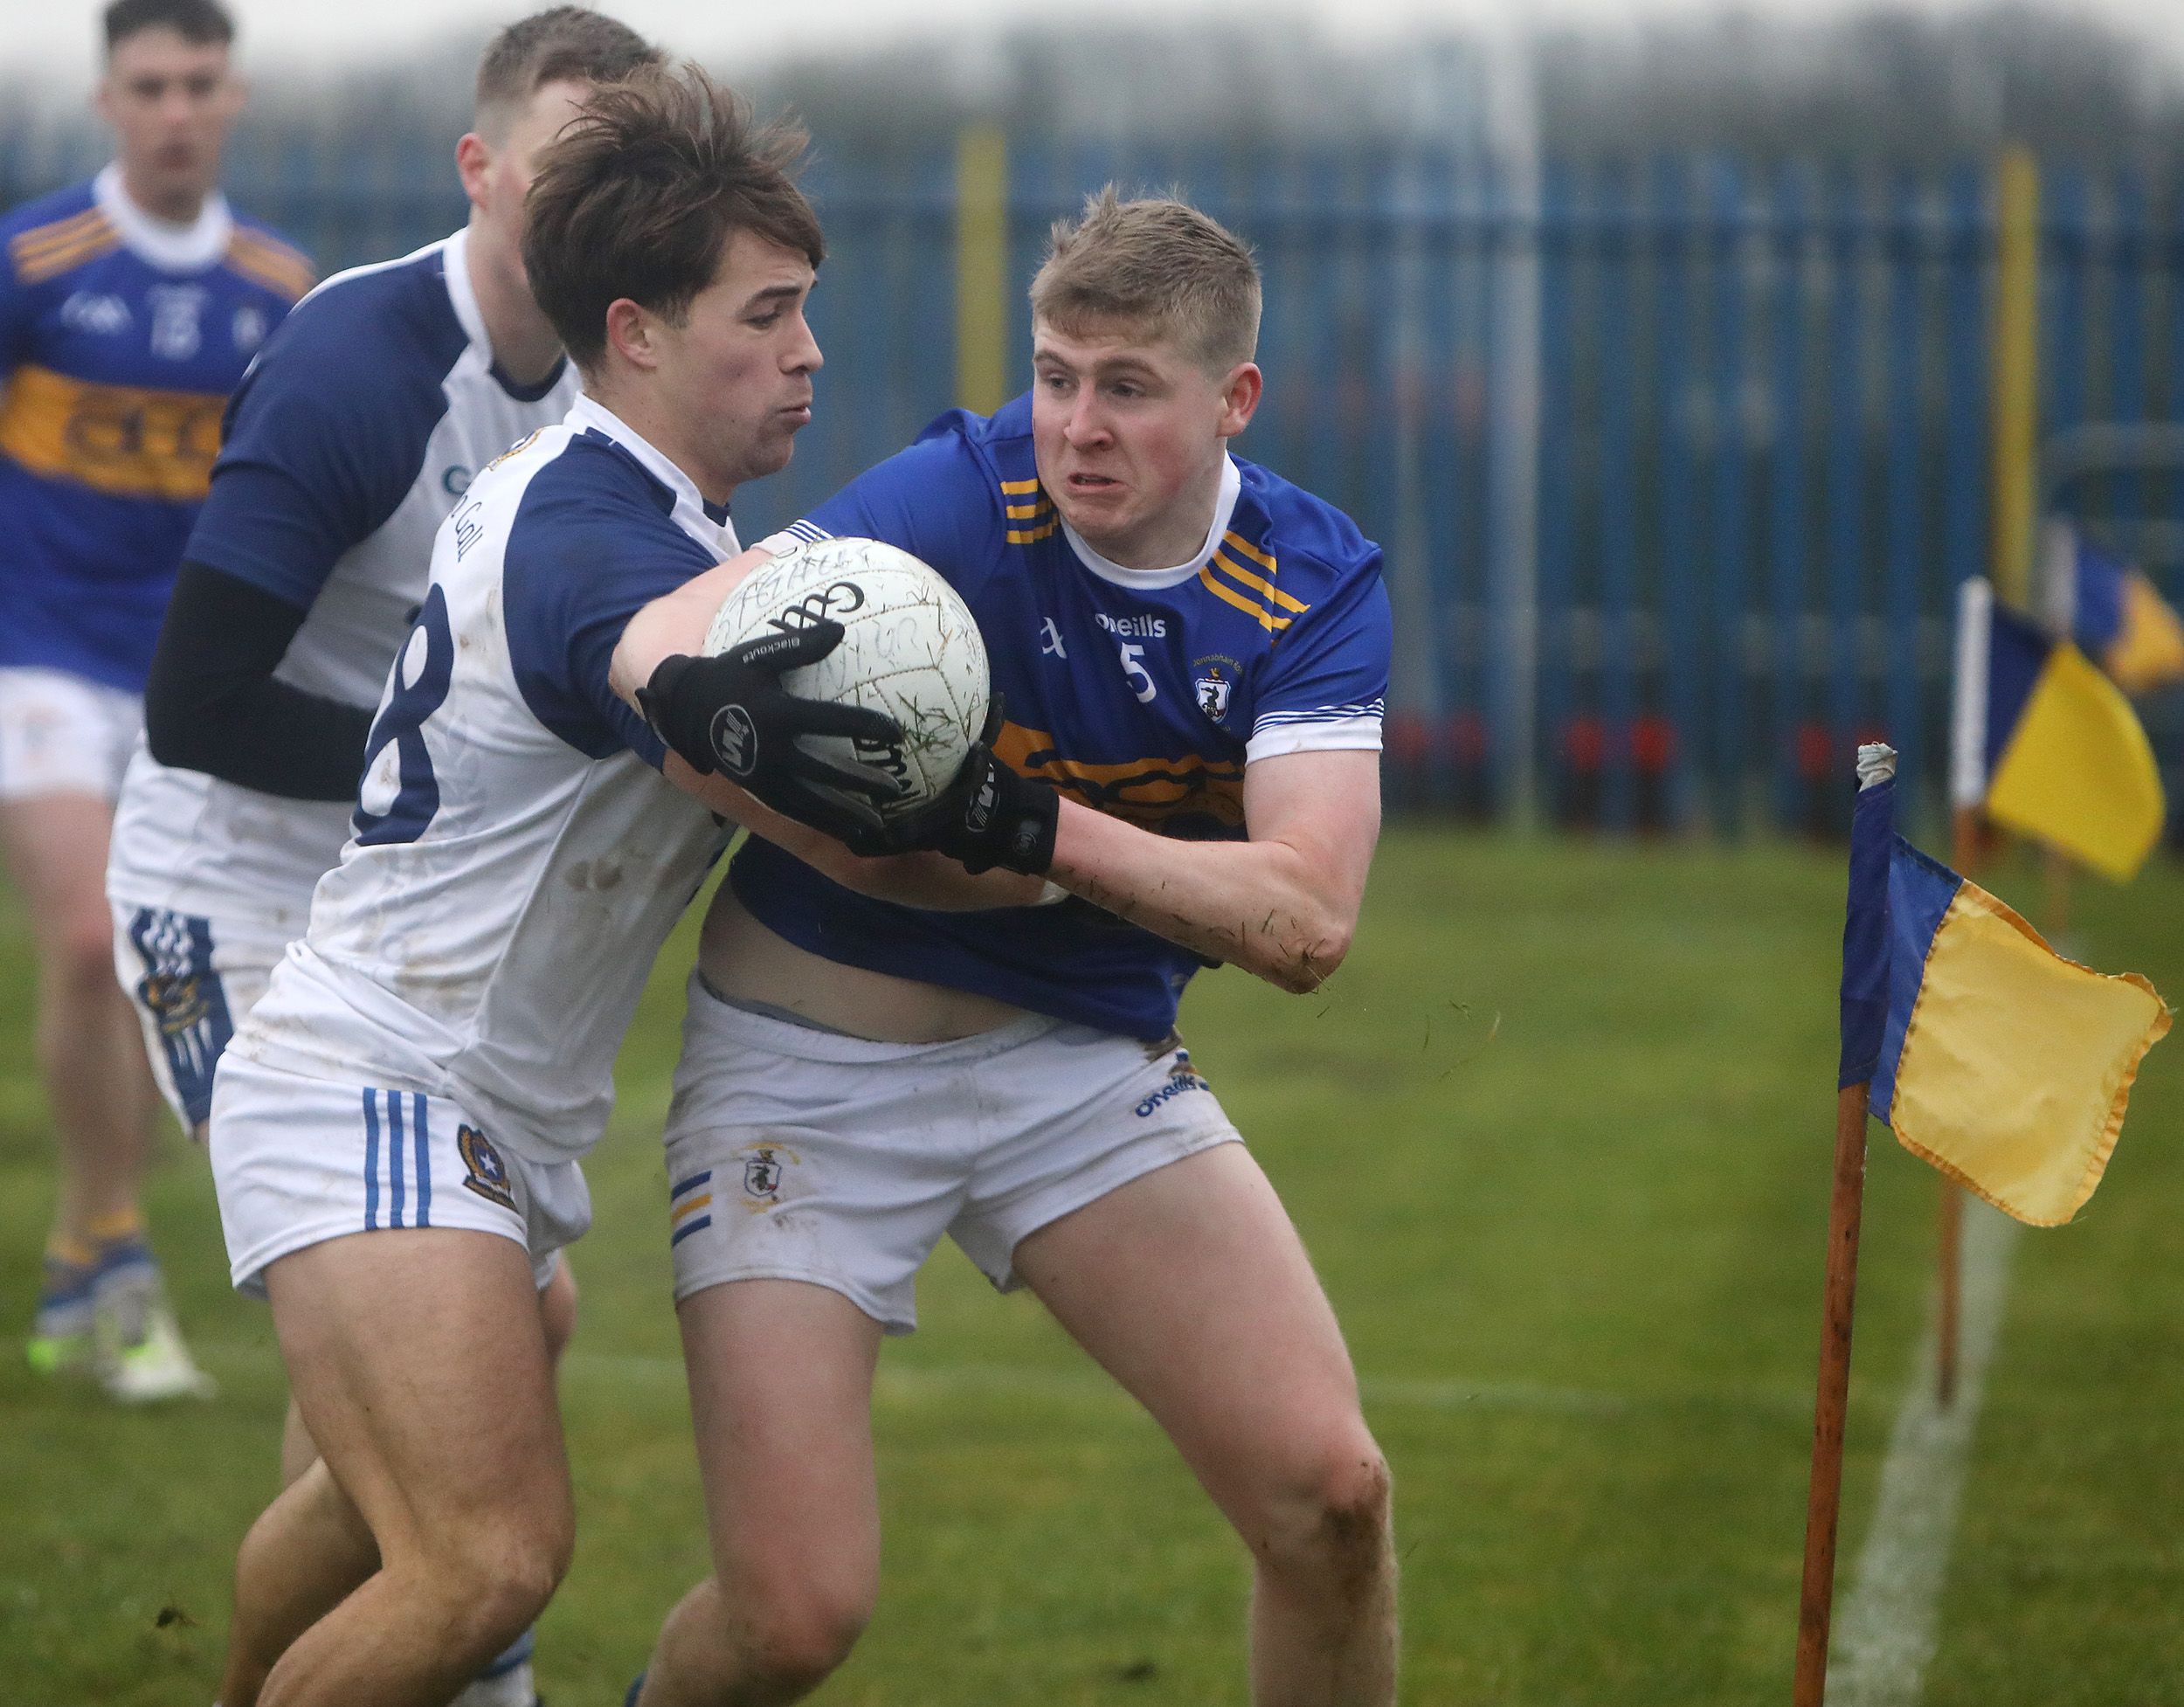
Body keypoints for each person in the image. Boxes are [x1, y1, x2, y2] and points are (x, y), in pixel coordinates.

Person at [204, 66, 967, 1707]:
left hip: (457, 1103)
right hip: (382, 1079)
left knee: (362, 1510)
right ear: (637, 331)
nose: (807, 353)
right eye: (766, 316)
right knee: (486, 1561)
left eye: (807, 313)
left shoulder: (665, 530)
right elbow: (640, 654)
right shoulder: (585, 522)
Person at [613, 190, 1399, 1705]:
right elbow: (668, 628)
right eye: (1053, 374)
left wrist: (1027, 827)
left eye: (1126, 387)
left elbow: (1306, 921)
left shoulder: (1311, 581)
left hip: (1083, 1077)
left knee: (1333, 1495)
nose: (1075, 425)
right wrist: (696, 689)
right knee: (793, 1617)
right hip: (805, 1079)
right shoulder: (969, 492)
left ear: (1233, 398)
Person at [107, 13, 660, 1699]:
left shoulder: (604, 386)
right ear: (480, 168)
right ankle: (452, 1651)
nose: (590, 217)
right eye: (565, 173)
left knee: (461, 1356)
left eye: (623, 185)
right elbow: (196, 703)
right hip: (235, 898)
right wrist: (443, 782)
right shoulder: (363, 363)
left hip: (395, 912)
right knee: (442, 1346)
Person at [2, 0, 310, 1402]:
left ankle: (82, 1249)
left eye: (200, 82)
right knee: (87, 936)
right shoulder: (35, 262)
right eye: (150, 85)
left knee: (198, 960)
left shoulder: (281, 290)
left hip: (192, 678)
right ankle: (120, 1256)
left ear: (235, 96)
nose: (177, 108)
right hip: (42, 652)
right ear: (107, 101)